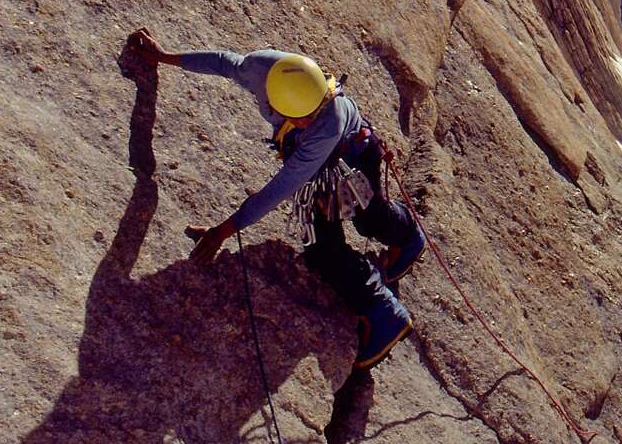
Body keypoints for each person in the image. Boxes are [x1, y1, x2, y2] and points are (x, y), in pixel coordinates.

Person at [127, 29, 424, 369]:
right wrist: (165, 57)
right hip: (326, 159)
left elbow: (282, 187)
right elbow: (224, 62)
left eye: (312, 113)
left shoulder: (324, 125)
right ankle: (403, 246)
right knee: (353, 225)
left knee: (334, 242)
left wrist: (227, 228)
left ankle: (386, 308)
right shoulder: (263, 70)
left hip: (349, 154)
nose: (308, 119)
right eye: (301, 118)